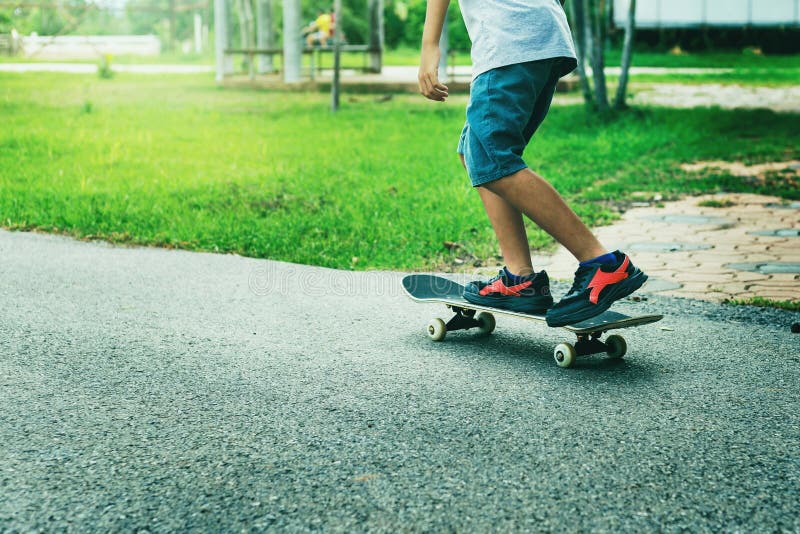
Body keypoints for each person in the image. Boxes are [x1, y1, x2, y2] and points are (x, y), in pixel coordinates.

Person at [418, 0, 647, 327]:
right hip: (543, 37)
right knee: (477, 152)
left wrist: (429, 46)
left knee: (492, 157)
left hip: (511, 40)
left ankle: (603, 264)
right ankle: (519, 279)